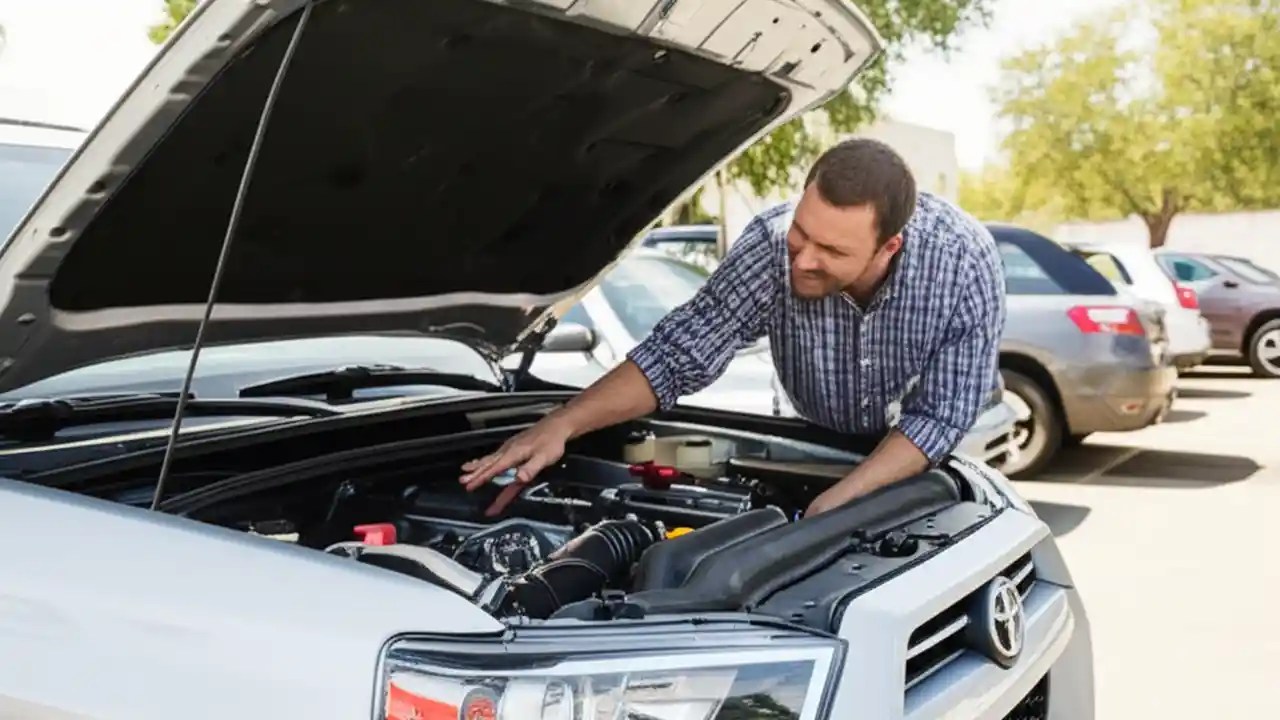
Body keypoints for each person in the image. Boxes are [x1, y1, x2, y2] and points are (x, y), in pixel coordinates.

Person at [460, 138, 1006, 518]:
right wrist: (562, 424)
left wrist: (835, 504)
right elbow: (677, 356)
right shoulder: (770, 244)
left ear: (890, 247)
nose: (802, 261)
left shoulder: (963, 262)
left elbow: (938, 417)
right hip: (807, 437)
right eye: (802, 233)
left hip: (928, 459)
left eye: (833, 251)